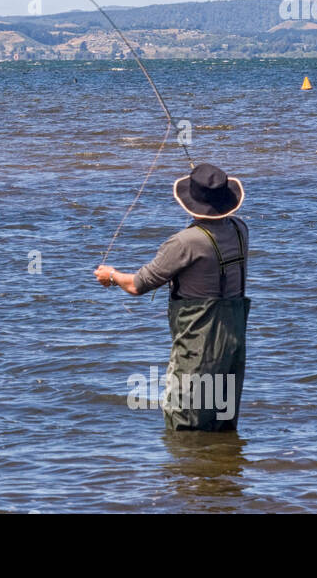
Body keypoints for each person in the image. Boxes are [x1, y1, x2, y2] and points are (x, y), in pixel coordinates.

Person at [94, 163, 250, 431]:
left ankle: (190, 471)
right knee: (222, 422)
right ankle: (223, 470)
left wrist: (111, 275)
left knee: (185, 423)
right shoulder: (240, 229)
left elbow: (136, 286)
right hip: (233, 346)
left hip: (198, 349)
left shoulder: (185, 242)